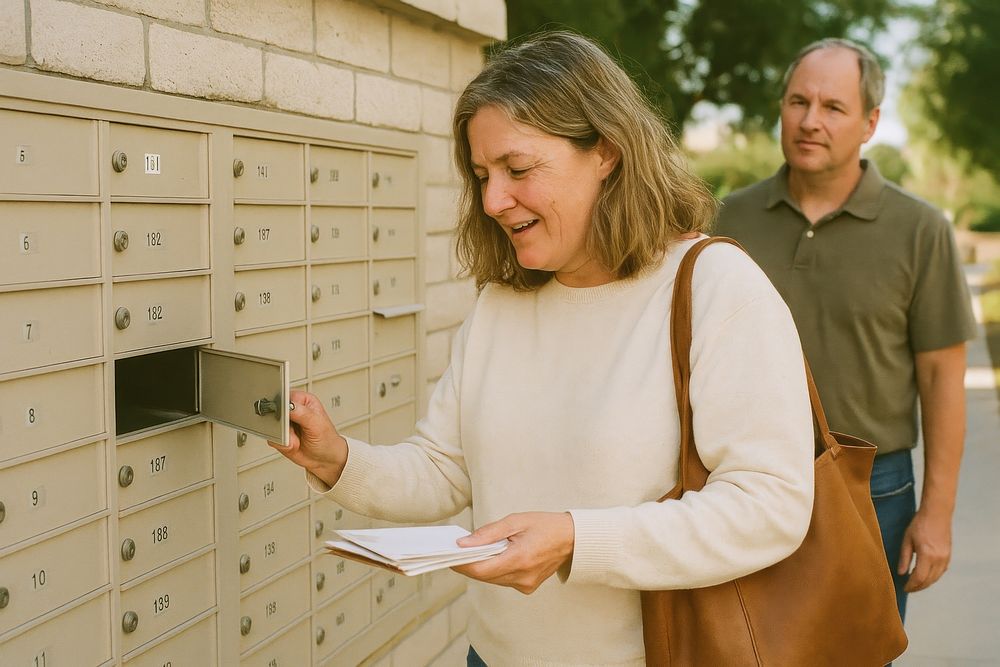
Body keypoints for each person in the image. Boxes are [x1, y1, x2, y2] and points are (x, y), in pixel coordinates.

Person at [272, 31, 814, 666]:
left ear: (606, 152)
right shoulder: (502, 306)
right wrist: (336, 458)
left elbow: (770, 506)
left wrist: (575, 540)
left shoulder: (716, 287)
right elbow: (446, 469)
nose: (493, 201)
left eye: (518, 169)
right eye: (481, 175)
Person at [715, 38, 977, 624]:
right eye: (797, 102)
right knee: (743, 654)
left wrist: (936, 513)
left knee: (858, 653)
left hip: (871, 486)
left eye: (833, 107)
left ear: (870, 123)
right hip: (740, 480)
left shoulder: (920, 230)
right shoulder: (726, 220)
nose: (811, 121)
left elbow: (942, 379)